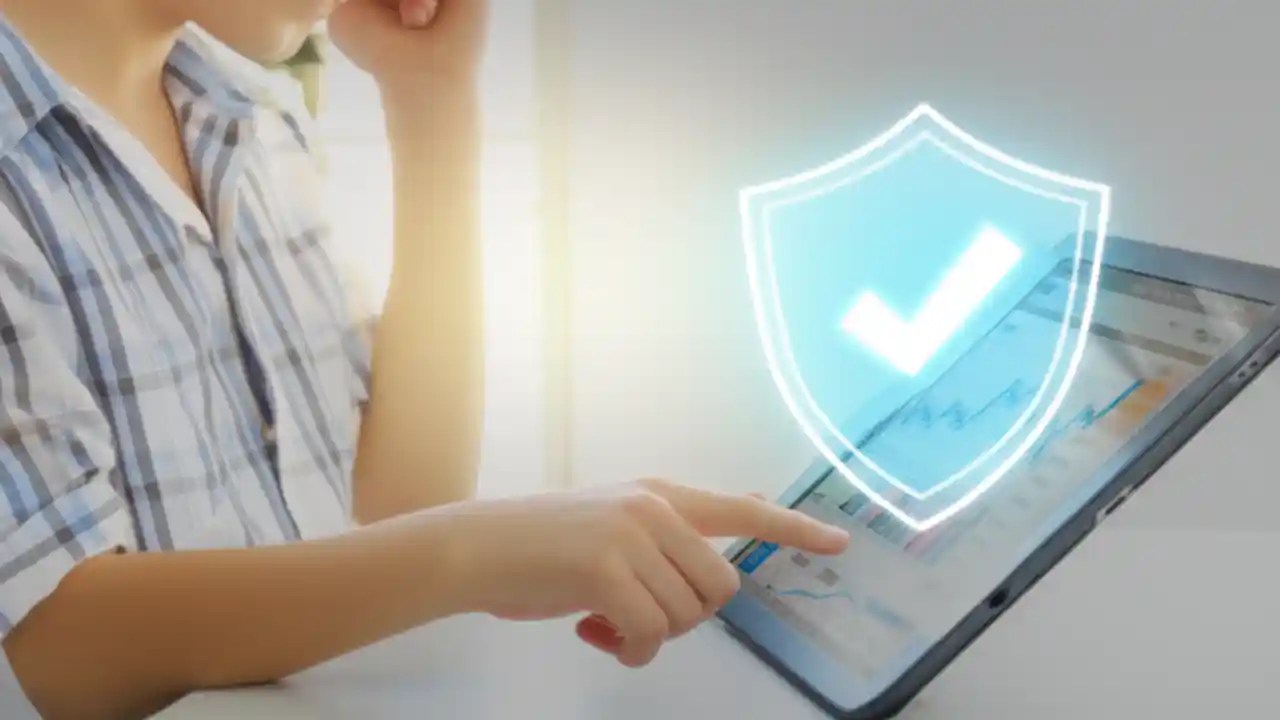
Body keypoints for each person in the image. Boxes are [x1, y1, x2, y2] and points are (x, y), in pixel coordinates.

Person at [0, 1, 851, 718]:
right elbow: (52, 642)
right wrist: (475, 552)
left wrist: (431, 97)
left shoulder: (248, 116)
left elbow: (398, 500)